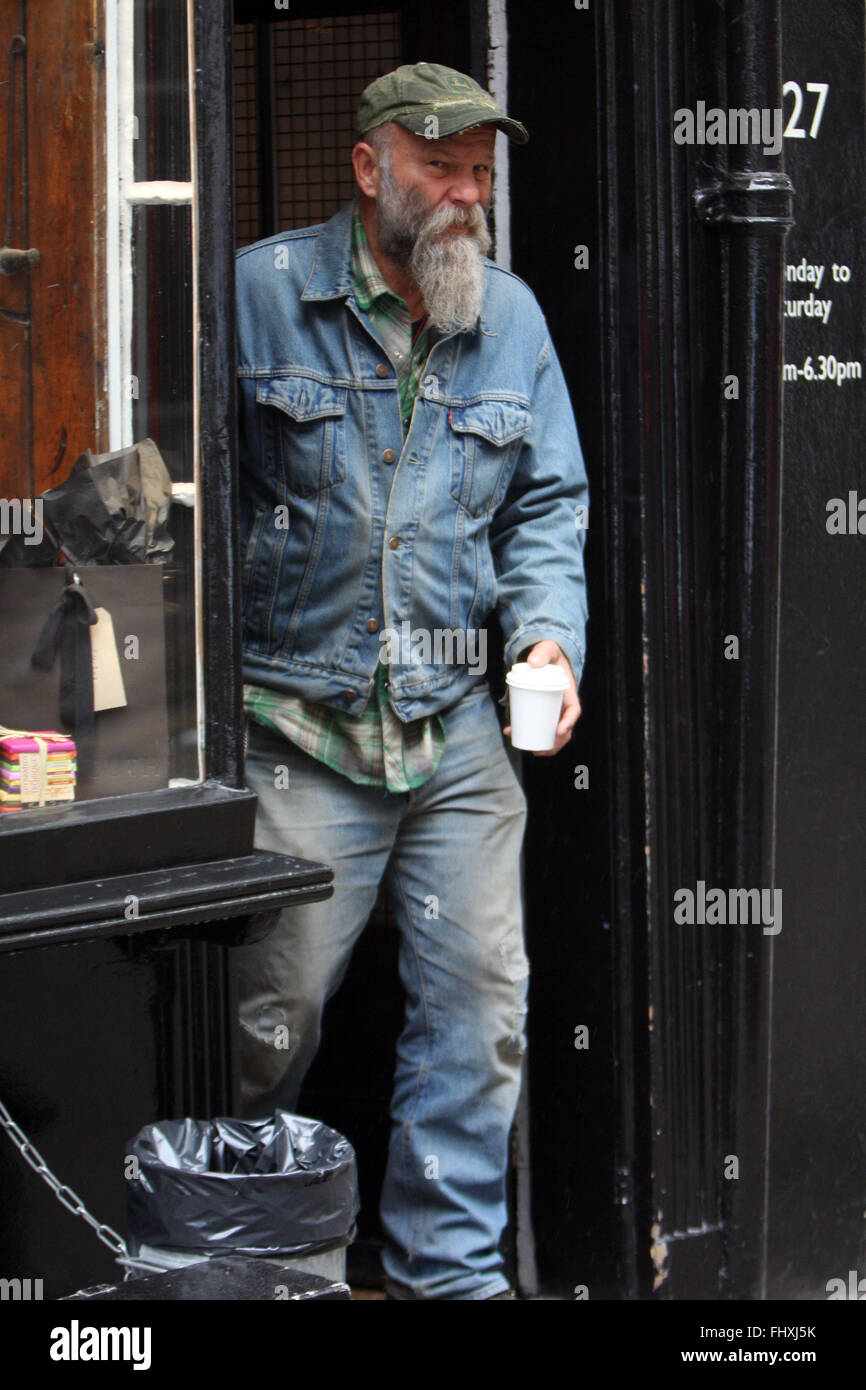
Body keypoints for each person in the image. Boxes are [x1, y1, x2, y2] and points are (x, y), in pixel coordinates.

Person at [233, 61, 589, 1300]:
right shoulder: (253, 296)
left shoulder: (512, 316)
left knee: (479, 1019)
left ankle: (447, 1277)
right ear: (368, 166)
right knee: (261, 1028)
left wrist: (547, 639)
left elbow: (545, 503)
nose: (463, 192)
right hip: (295, 725)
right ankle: (253, 1267)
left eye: (480, 171)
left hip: (450, 738)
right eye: (439, 165)